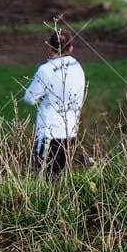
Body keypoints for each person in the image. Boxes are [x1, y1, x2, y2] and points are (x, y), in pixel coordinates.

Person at [24, 29, 85, 177]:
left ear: (49, 47)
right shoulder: (78, 67)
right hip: (71, 131)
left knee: (45, 177)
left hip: (49, 134)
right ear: (71, 48)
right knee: (64, 177)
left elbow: (29, 98)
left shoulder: (45, 70)